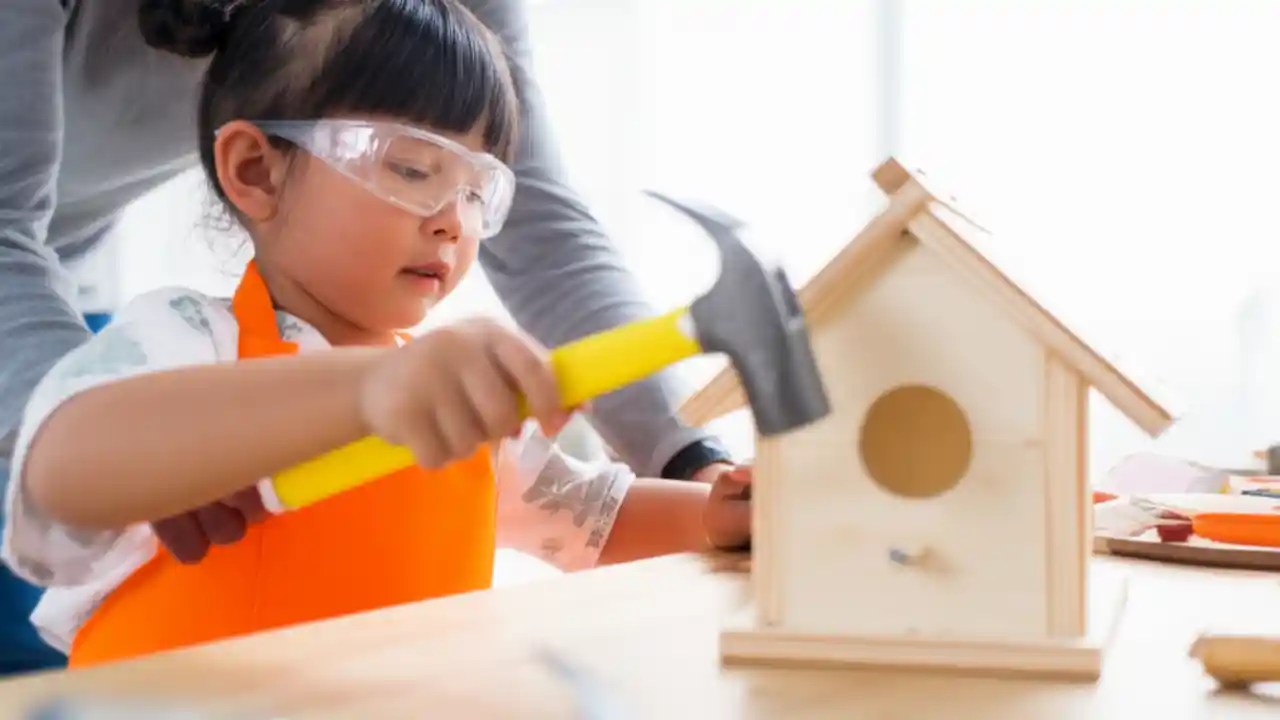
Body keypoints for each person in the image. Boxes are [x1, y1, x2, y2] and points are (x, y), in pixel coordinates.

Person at [0, 0, 752, 669]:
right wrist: (372, 391)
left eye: (474, 189)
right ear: (256, 171)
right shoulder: (181, 344)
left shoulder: (449, 402)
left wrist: (717, 510)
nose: (452, 221)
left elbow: (599, 518)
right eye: (412, 169)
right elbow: (60, 459)